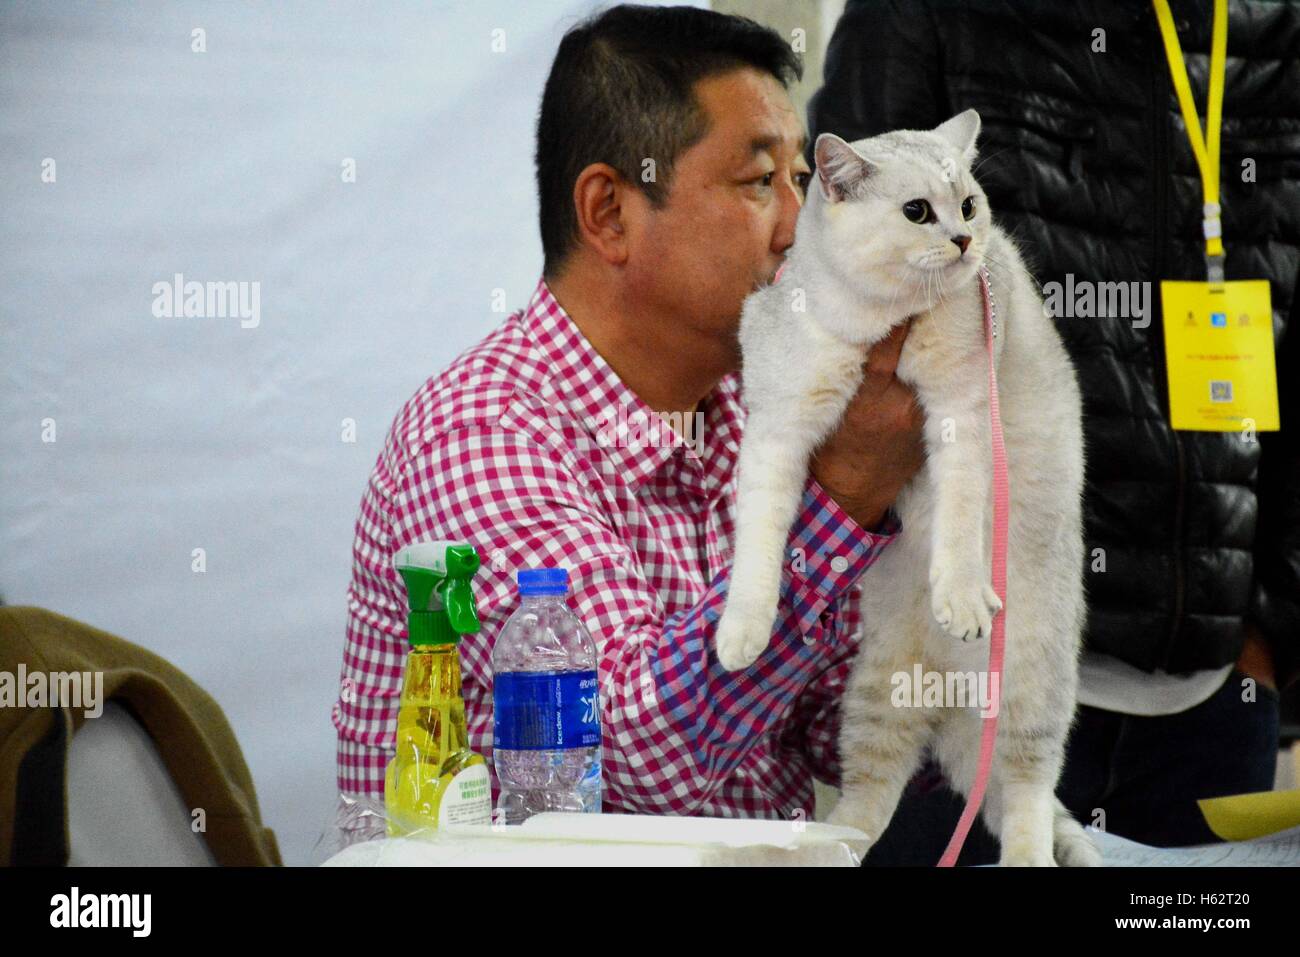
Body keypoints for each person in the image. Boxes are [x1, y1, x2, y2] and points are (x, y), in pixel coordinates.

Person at [332, 4, 933, 825]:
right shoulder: (485, 429)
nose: (805, 229)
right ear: (609, 213)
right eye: (762, 181)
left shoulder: (743, 412)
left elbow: (850, 731)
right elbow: (633, 759)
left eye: (804, 182)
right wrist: (846, 497)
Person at [808, 0, 1299, 862]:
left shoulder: (1269, 23)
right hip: (967, 666)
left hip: (1214, 693)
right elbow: (843, 276)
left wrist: (1269, 636)